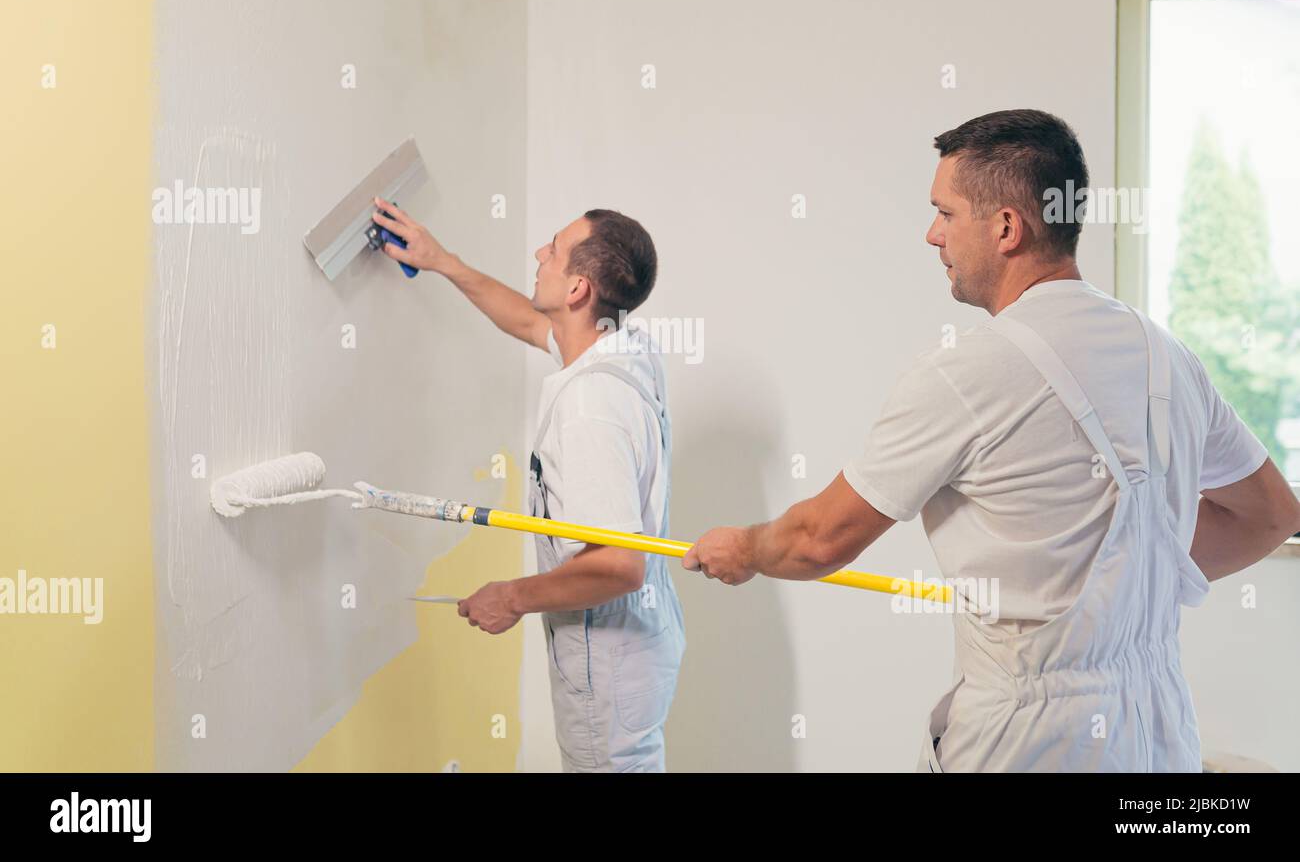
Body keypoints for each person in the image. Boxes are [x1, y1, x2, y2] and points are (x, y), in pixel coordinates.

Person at [683, 109, 1300, 772]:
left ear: (1006, 226)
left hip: (1033, 741)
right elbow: (1272, 515)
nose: (931, 235)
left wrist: (743, 547)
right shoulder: (1167, 356)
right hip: (1156, 730)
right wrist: (1128, 587)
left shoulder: (966, 373)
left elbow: (818, 539)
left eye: (944, 213)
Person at [372, 199, 686, 772]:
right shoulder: (621, 345)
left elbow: (620, 564)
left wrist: (511, 597)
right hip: (637, 651)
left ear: (577, 291)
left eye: (555, 249)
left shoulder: (591, 405)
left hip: (608, 665)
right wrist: (442, 260)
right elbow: (527, 320)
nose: (539, 253)